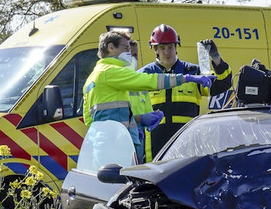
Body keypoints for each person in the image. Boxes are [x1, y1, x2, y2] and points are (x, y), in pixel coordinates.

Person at [82, 31, 211, 162]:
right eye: (125, 48)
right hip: (118, 148)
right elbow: (149, 81)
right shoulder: (110, 72)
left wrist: (137, 121)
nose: (128, 53)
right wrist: (185, 78)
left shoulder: (92, 78)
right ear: (110, 47)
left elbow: (89, 119)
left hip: (106, 146)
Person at [139, 25, 233, 159]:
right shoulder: (145, 74)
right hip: (154, 144)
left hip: (186, 142)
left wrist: (216, 58)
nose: (167, 52)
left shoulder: (193, 72)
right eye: (162, 48)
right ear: (155, 49)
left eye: (170, 47)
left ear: (176, 47)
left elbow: (223, 83)